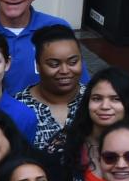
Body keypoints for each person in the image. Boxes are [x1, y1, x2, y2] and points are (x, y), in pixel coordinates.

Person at [16, 25, 83, 159]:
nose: (65, 71)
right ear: (37, 65)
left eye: (73, 62)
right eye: (54, 64)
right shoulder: (19, 107)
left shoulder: (95, 100)